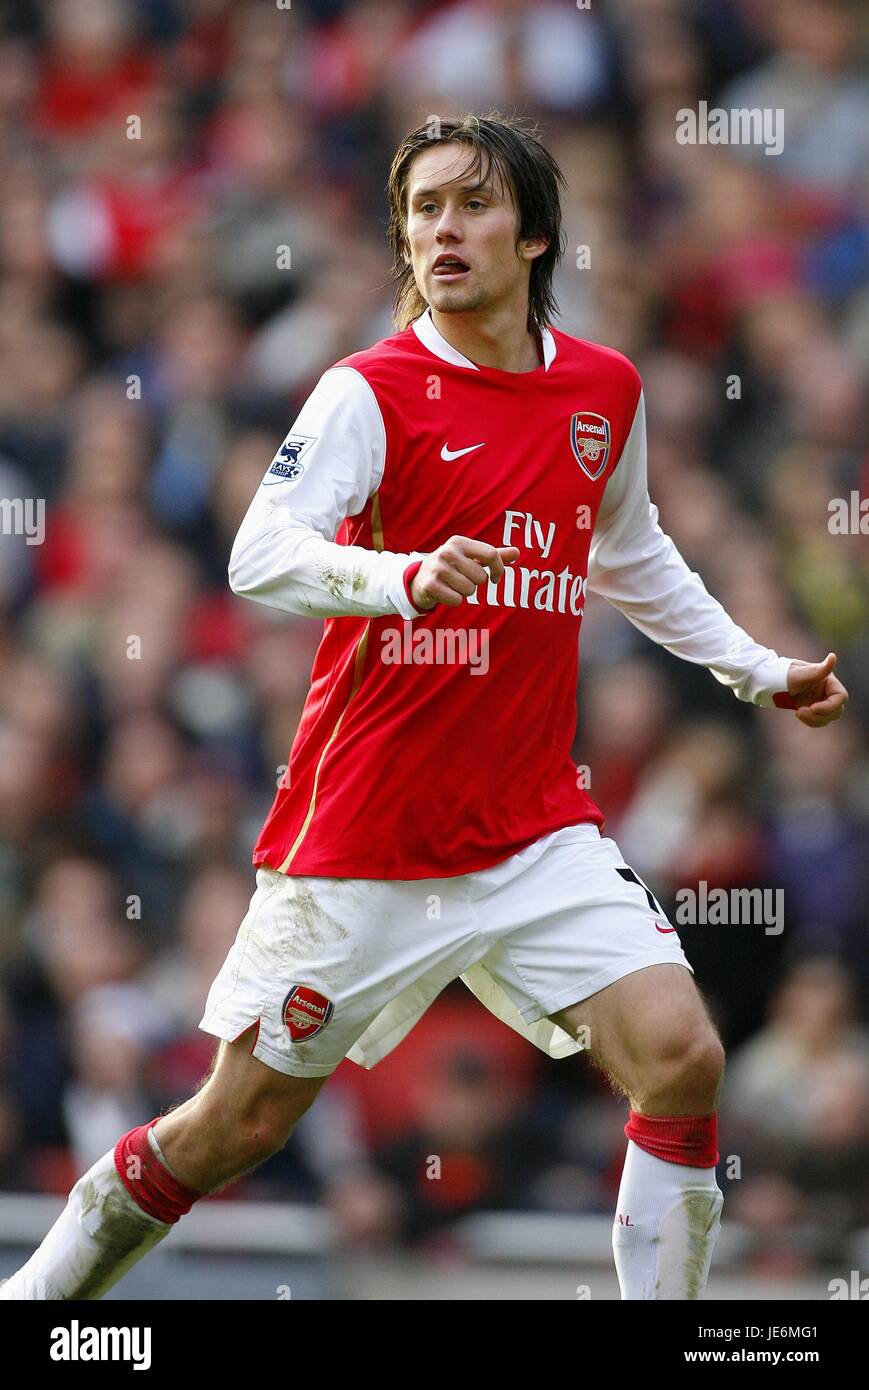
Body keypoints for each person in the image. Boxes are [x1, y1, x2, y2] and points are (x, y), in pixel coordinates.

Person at [1, 113, 847, 1302]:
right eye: (421, 211)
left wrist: (754, 667)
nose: (441, 230)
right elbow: (258, 552)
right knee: (232, 1125)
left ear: (534, 232)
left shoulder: (603, 390)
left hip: (532, 826)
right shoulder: (369, 391)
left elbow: (631, 548)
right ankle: (36, 1303)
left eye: (470, 205)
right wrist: (397, 578)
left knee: (681, 1055)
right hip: (366, 840)